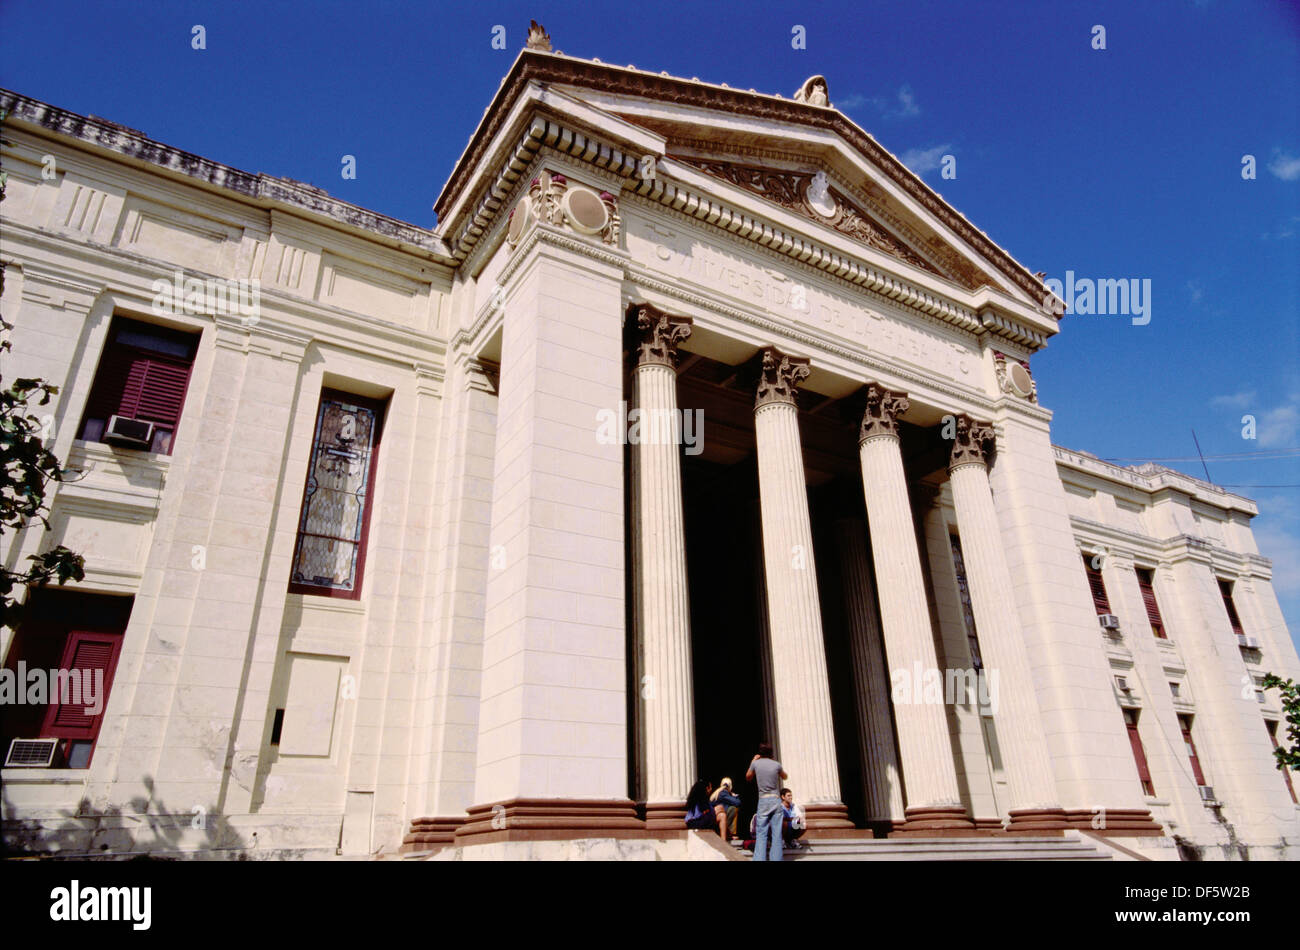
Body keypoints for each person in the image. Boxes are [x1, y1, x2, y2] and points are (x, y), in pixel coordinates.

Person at [745, 742, 788, 861]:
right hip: (775, 798)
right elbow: (785, 777)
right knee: (776, 833)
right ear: (771, 753)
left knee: (761, 832)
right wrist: (774, 763)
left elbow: (748, 777)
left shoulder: (756, 764)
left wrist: (753, 761)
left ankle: (759, 858)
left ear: (760, 753)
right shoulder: (776, 764)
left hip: (763, 799)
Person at [710, 777, 742, 842]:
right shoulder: (723, 792)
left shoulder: (718, 792)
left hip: (714, 816)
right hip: (718, 816)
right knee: (734, 809)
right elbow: (737, 803)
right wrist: (735, 796)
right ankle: (731, 833)